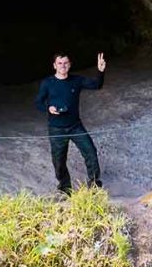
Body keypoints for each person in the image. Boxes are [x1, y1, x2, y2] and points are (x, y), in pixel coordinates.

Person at [35, 51, 107, 194]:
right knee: (59, 161)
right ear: (54, 65)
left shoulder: (76, 80)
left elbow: (97, 85)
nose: (63, 66)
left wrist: (100, 71)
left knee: (91, 152)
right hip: (56, 128)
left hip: (75, 126)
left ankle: (94, 186)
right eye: (60, 63)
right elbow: (38, 103)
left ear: (70, 65)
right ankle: (65, 189)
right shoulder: (47, 83)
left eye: (66, 63)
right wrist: (48, 108)